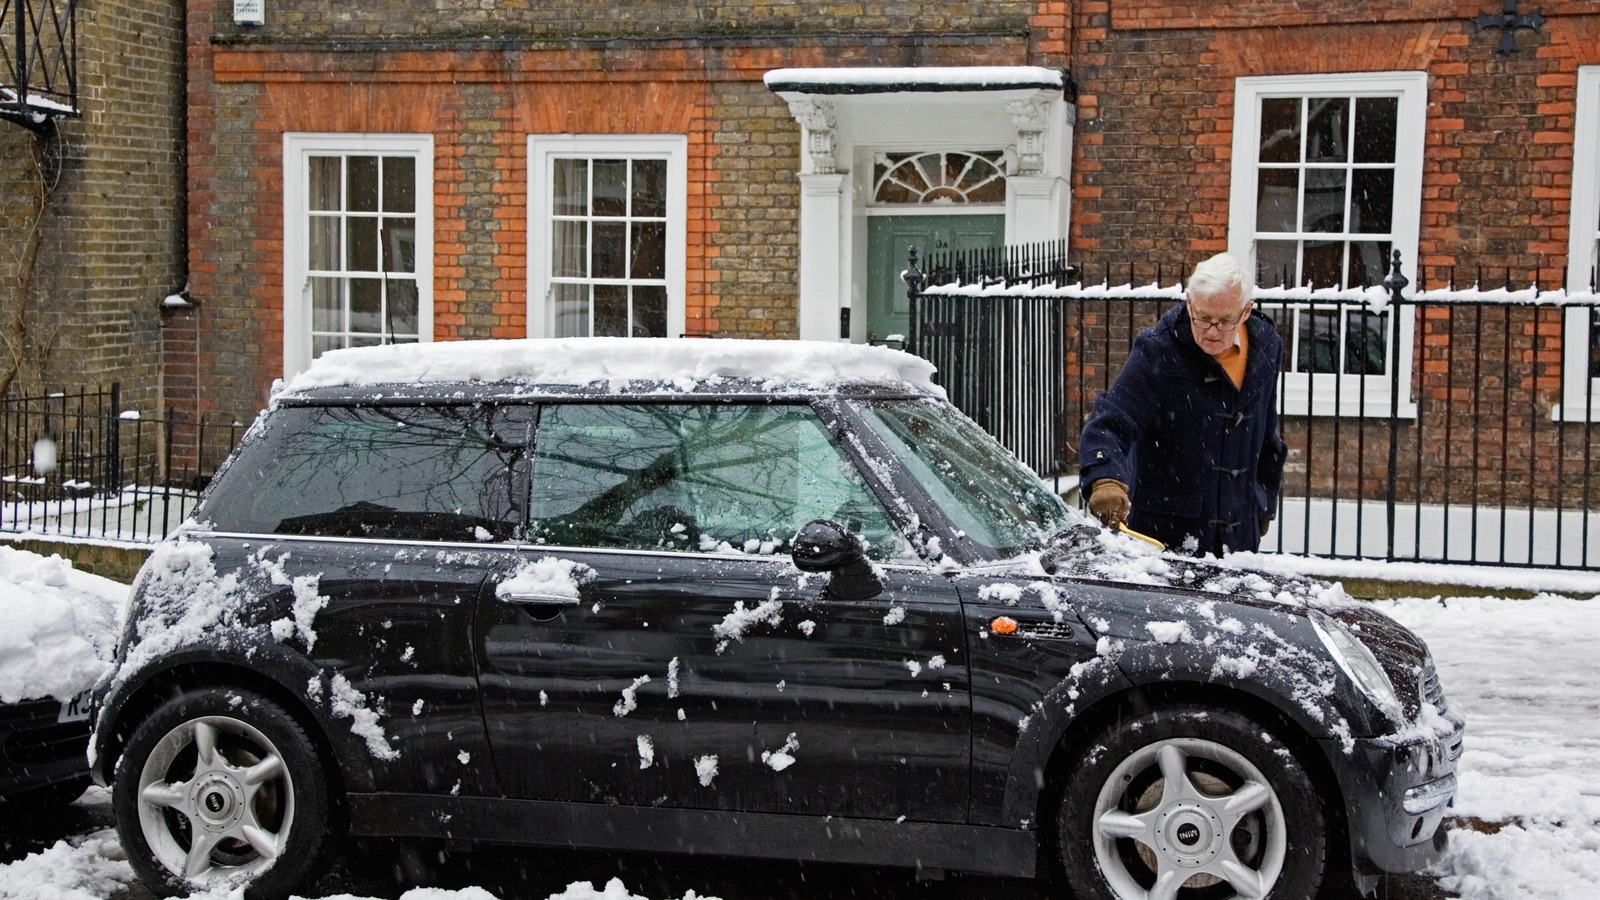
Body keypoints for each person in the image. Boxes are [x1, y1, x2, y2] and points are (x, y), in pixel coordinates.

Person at [1077, 252, 1286, 555]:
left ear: (1245, 312)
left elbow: (1268, 435)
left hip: (1239, 536)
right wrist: (1105, 478)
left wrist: (1262, 503)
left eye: (1224, 321)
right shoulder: (1158, 349)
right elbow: (1111, 420)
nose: (1211, 330)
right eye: (1202, 317)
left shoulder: (1267, 346)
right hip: (1166, 538)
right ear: (1189, 303)